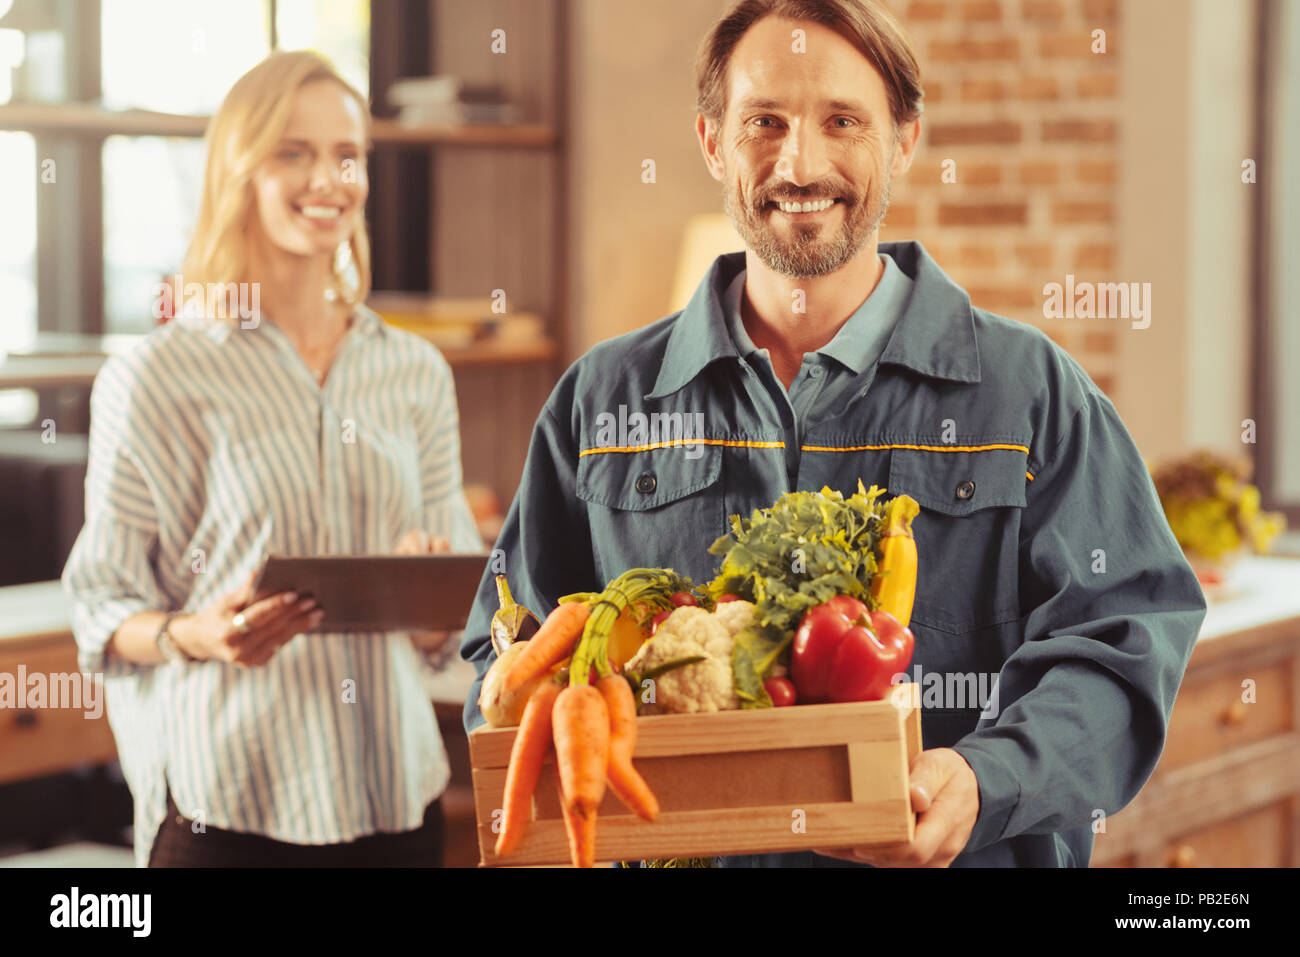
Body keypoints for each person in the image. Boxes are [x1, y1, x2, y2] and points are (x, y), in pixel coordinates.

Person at [460, 0, 1206, 868]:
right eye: (763, 123)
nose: (800, 162)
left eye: (842, 121)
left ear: (903, 142)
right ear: (711, 142)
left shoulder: (1028, 391)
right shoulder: (602, 400)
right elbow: (505, 647)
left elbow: (1127, 639)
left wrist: (983, 777)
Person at [63, 51, 482, 867]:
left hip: (395, 799)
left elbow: (451, 619)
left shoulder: (414, 370)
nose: (327, 178)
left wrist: (434, 599)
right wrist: (197, 632)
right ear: (239, 169)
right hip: (230, 811)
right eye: (293, 152)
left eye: (346, 155)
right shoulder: (154, 376)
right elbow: (100, 610)